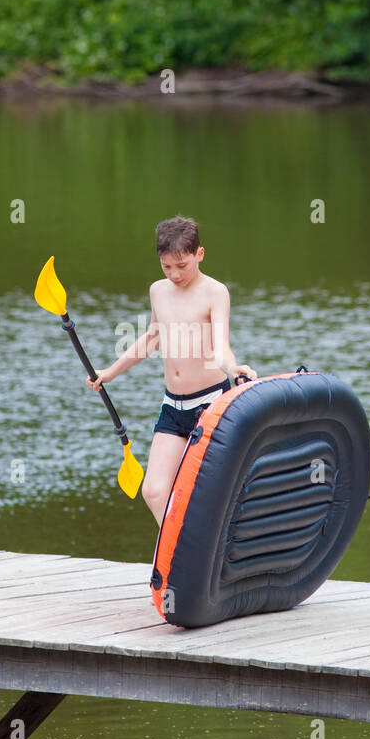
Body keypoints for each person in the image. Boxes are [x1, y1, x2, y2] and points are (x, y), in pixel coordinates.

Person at [87, 215, 257, 527]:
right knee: (153, 491)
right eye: (167, 267)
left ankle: (218, 554)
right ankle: (185, 557)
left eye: (183, 265)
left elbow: (221, 347)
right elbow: (153, 336)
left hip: (210, 406)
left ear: (200, 254)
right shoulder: (158, 291)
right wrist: (110, 372)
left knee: (209, 493)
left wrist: (234, 368)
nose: (175, 274)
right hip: (173, 407)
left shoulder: (215, 292)